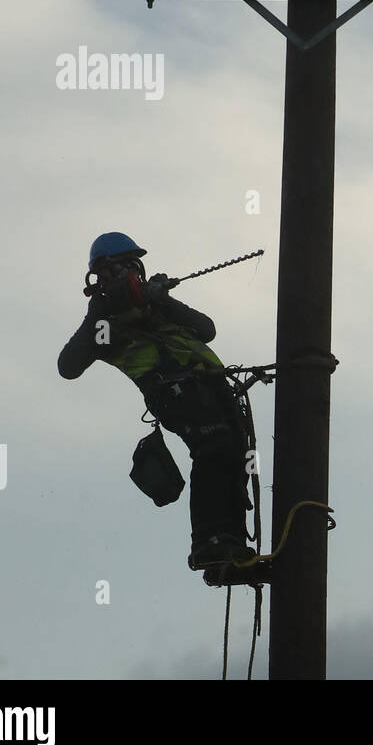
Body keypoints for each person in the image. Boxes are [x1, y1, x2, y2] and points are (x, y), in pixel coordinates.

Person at [57, 232, 251, 570]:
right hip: (172, 391)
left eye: (134, 266)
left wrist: (161, 301)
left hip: (212, 386)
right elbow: (68, 366)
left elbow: (206, 329)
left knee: (235, 452)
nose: (132, 274)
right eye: (122, 268)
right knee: (212, 447)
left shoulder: (157, 306)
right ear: (101, 276)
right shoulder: (104, 324)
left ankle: (231, 539)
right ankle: (209, 541)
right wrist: (98, 314)